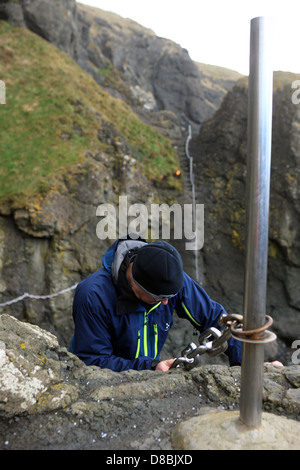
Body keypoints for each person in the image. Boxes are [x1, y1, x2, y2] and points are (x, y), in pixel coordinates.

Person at [70, 233, 242, 372]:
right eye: (159, 298)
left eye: (169, 296)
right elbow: (92, 360)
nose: (166, 302)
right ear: (136, 285)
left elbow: (214, 318)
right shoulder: (93, 295)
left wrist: (250, 362)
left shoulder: (168, 276)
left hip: (147, 370)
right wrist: (150, 367)